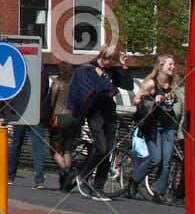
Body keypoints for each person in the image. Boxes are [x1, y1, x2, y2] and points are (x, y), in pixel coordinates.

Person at [69, 43, 122, 201]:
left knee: (108, 151)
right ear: (103, 56)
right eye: (109, 59)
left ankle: (98, 187)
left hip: (110, 114)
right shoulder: (88, 70)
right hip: (95, 114)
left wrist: (124, 68)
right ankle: (84, 176)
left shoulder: (112, 72)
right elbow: (88, 93)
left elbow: (127, 85)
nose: (111, 63)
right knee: (100, 148)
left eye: (113, 60)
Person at [127, 55, 179, 202]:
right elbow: (136, 100)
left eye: (173, 65)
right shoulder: (151, 83)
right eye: (170, 64)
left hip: (169, 125)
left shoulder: (172, 85)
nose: (173, 67)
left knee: (166, 161)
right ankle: (134, 180)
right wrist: (153, 100)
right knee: (156, 159)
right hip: (153, 126)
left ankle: (158, 192)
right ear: (161, 65)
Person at [8, 65, 53, 189]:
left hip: (21, 112)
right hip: (37, 114)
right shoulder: (44, 72)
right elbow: (43, 93)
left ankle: (10, 176)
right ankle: (39, 180)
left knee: (16, 144)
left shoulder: (21, 69)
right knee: (37, 147)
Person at [47, 63, 78, 191]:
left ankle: (66, 172)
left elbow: (52, 101)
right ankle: (66, 181)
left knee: (54, 150)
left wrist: (48, 117)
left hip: (59, 117)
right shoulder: (75, 84)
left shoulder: (57, 82)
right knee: (67, 150)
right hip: (73, 118)